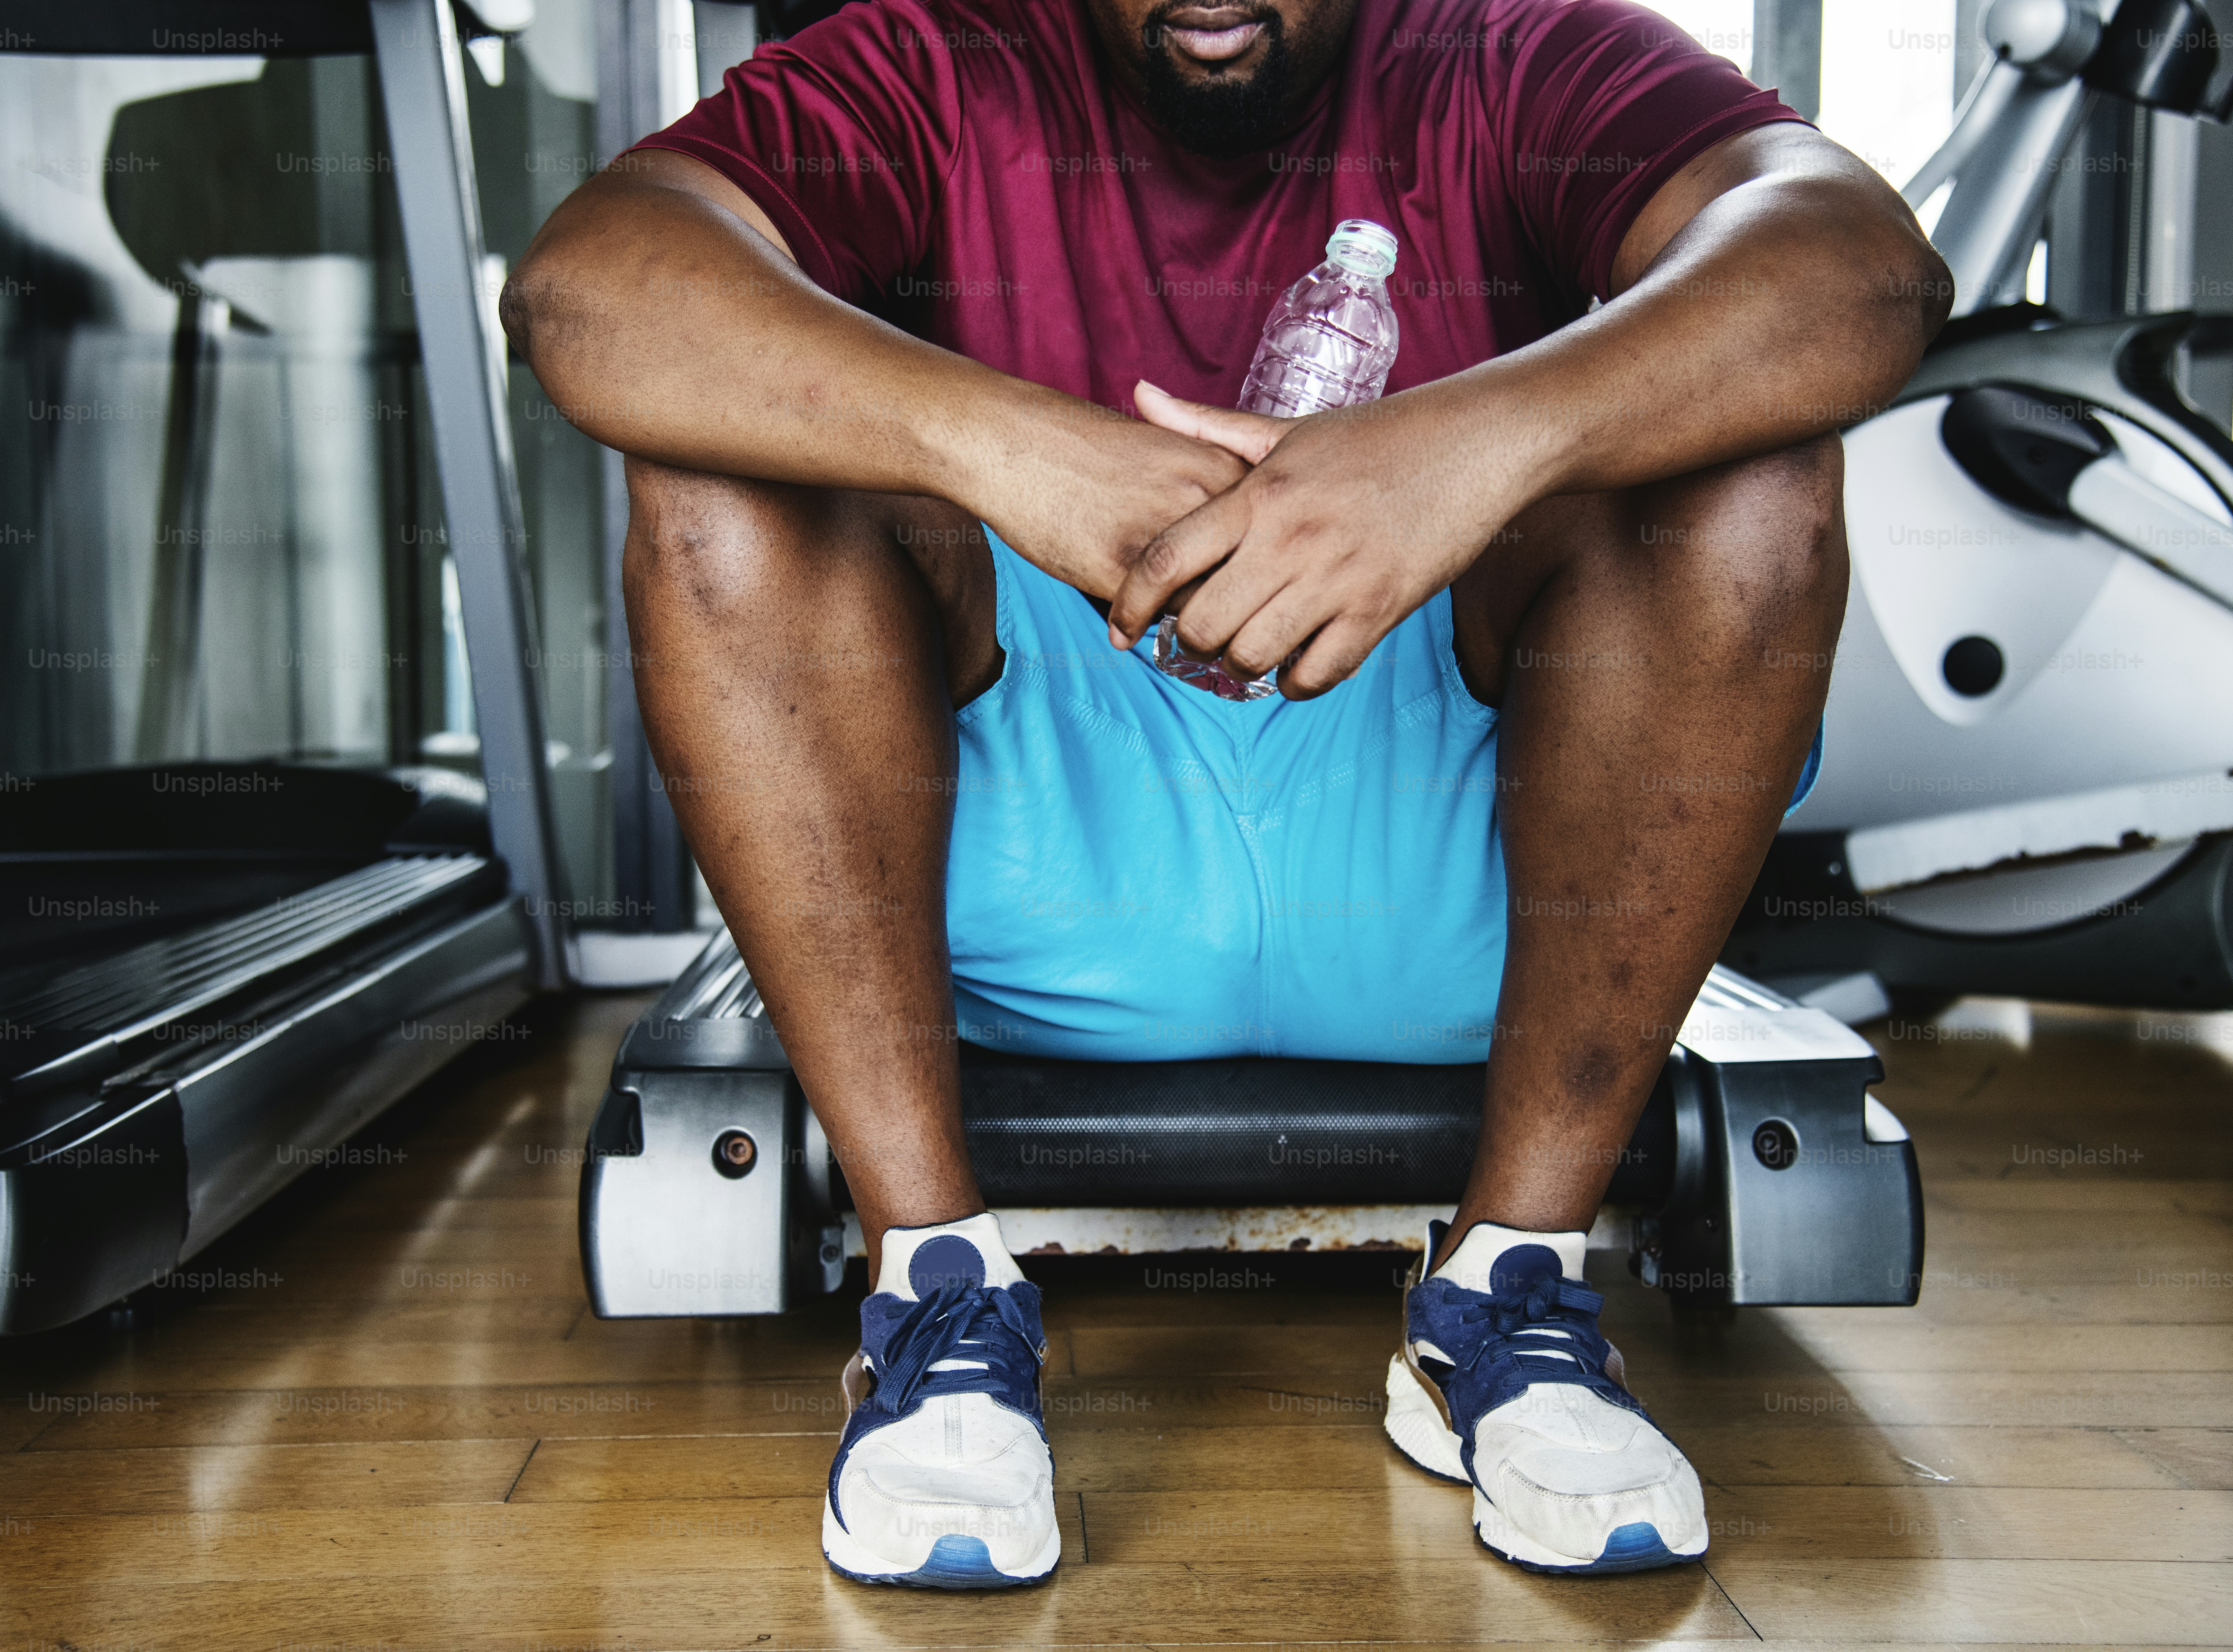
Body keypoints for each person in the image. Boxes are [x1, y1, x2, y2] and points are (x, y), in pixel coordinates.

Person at [504, 0, 1950, 1588]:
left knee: (1753, 463)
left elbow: (1860, 269)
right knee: (719, 443)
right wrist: (1018, 451)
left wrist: (1462, 447)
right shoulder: (931, 60)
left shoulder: (1516, 53)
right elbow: (594, 287)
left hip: (1449, 841)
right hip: (1040, 836)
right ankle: (938, 1295)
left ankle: (1510, 1299)